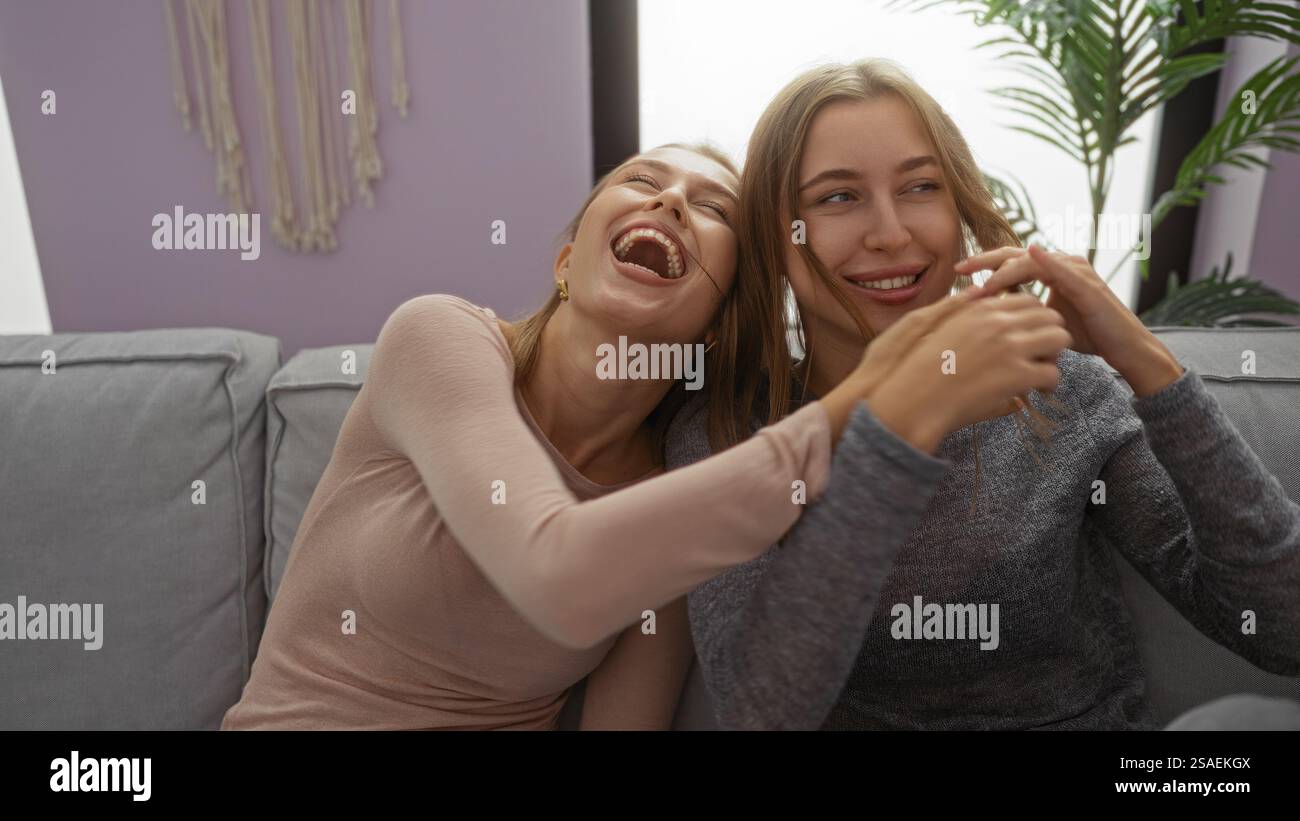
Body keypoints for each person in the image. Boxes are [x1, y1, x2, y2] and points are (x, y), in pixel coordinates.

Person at [221, 140, 1055, 730]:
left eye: (711, 206)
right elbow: (556, 570)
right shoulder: (438, 339)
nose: (669, 201)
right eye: (643, 180)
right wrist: (874, 397)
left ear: (723, 317)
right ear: (564, 260)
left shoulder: (674, 499)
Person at [669, 59, 1300, 730]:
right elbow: (759, 713)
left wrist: (1146, 361)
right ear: (776, 236)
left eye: (919, 187)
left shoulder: (1064, 391)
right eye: (837, 197)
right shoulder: (727, 429)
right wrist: (900, 429)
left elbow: (1283, 629)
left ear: (957, 203)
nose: (890, 232)